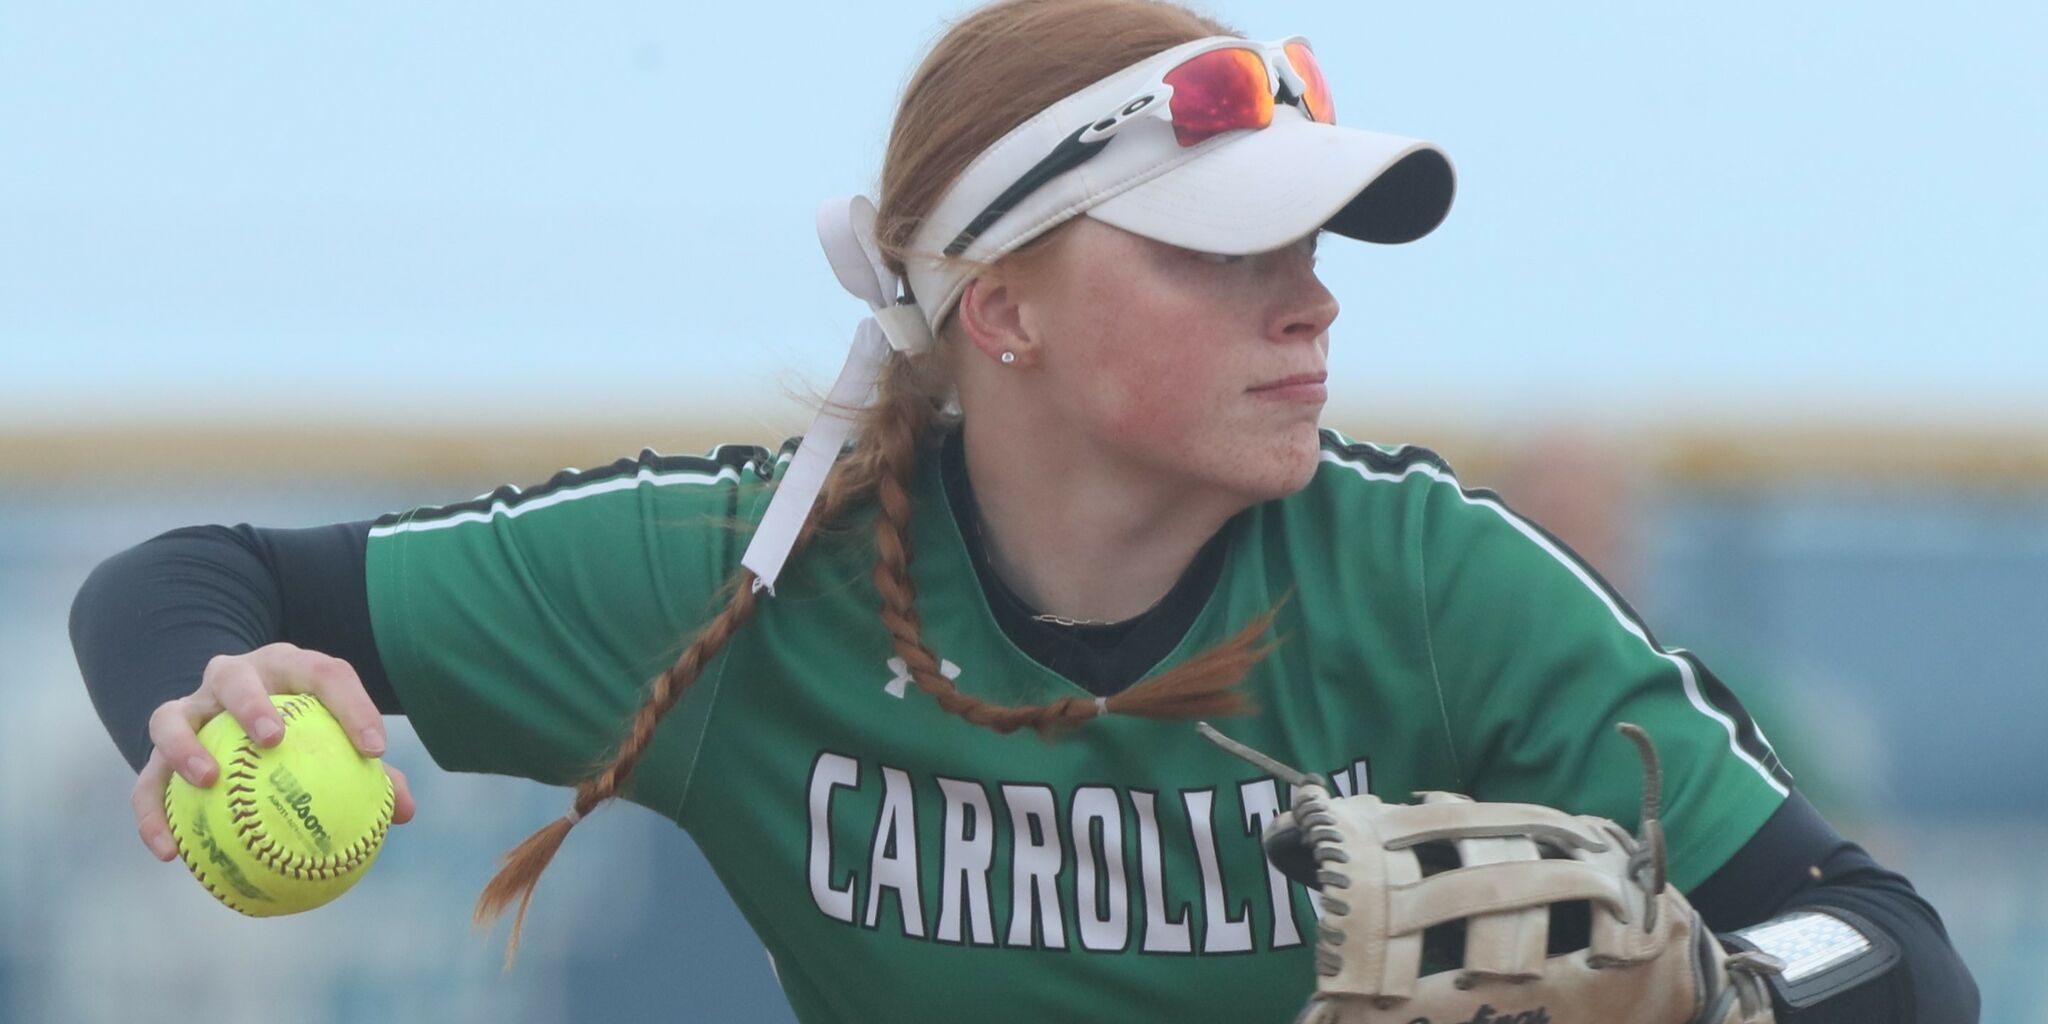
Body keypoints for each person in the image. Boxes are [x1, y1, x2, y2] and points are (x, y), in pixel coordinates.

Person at [72, 0, 1977, 1020]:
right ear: (1003, 310)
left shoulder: (1426, 584)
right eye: (1222, 254)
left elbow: (1895, 948)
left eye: (1310, 243)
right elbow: (192, 578)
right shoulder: (757, 576)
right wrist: (198, 689)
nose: (1310, 298)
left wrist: (1737, 1005)